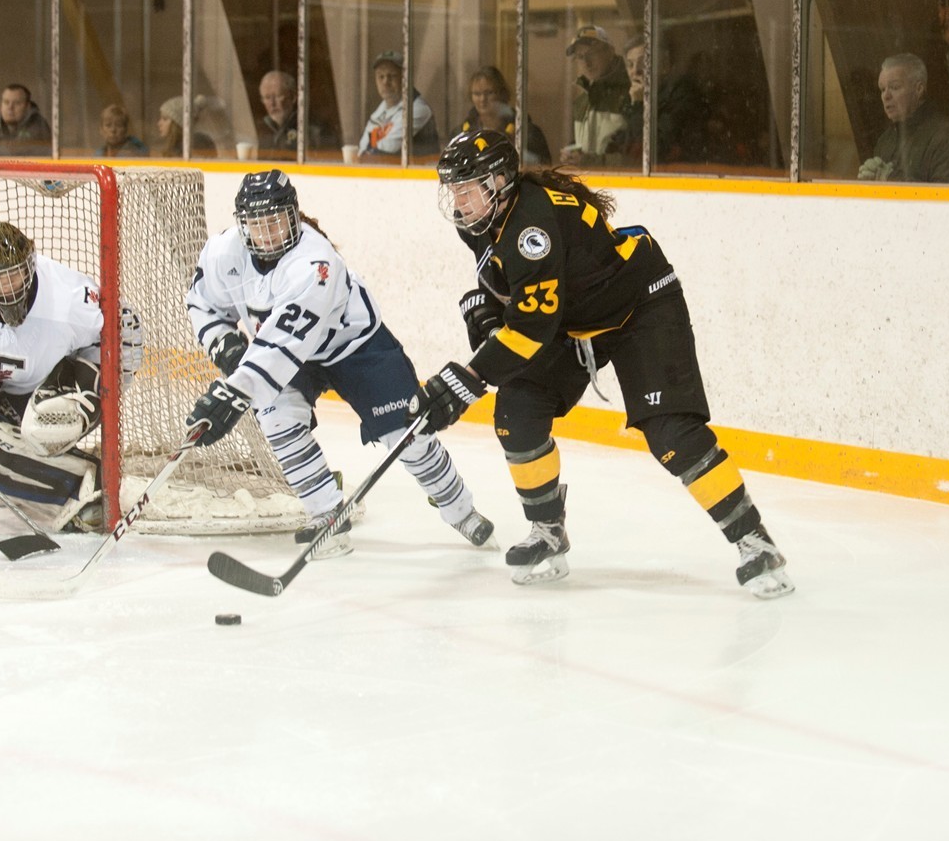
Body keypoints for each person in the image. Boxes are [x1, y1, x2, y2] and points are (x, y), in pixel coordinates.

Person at [408, 130, 793, 599]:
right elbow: (520, 291)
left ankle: (755, 542)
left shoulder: (532, 224)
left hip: (640, 305)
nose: (458, 199)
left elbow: (530, 327)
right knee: (518, 411)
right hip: (573, 321)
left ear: (502, 180)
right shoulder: (482, 217)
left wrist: (467, 379)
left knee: (671, 432)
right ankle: (548, 534)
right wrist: (488, 310)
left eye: (468, 186)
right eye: (454, 187)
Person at [185, 169, 494, 559]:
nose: (267, 234)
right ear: (241, 225)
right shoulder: (222, 253)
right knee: (278, 419)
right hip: (289, 356)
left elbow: (282, 345)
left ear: (294, 216)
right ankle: (326, 512)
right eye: (256, 224)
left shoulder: (315, 263)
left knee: (408, 436)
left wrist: (237, 390)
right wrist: (227, 349)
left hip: (357, 348)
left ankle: (459, 508)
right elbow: (203, 303)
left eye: (276, 222)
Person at [0, 222, 143, 531]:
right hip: (2, 395)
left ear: (30, 265)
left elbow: (125, 328)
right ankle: (74, 485)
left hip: (61, 387)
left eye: (14, 274)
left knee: (42, 428)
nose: (7, 286)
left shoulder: (68, 297)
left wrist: (96, 391)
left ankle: (94, 487)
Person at [858, 53, 949, 183]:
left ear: (918, 89)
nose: (886, 96)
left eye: (895, 87)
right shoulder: (885, 141)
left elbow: (945, 197)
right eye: (882, 89)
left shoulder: (944, 136)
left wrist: (890, 178)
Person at [621, 34, 709, 164]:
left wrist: (639, 105)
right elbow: (623, 147)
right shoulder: (630, 99)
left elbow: (655, 151)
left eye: (644, 61)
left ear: (664, 65)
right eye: (630, 64)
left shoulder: (683, 95)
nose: (635, 71)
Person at [561, 25, 634, 167]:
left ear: (610, 51)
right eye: (580, 57)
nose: (586, 63)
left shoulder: (631, 94)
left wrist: (590, 162)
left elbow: (636, 159)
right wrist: (572, 154)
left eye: (591, 53)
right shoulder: (581, 101)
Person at [459, 66, 551, 166]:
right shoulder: (462, 133)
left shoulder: (527, 132)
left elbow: (544, 167)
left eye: (489, 93)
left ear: (501, 93)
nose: (482, 99)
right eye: (477, 94)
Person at [359, 51, 438, 159]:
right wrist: (365, 153)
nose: (385, 82)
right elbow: (362, 149)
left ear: (405, 78)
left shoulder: (417, 108)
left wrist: (366, 153)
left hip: (418, 174)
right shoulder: (380, 110)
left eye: (392, 76)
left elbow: (388, 150)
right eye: (381, 77)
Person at [256, 71, 332, 155]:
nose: (272, 103)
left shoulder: (315, 130)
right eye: (267, 97)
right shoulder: (259, 129)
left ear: (293, 97)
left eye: (278, 96)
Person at [0, 84, 52, 157]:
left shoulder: (38, 125)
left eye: (17, 103)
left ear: (27, 107)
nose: (10, 108)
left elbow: (14, 154)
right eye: (6, 102)